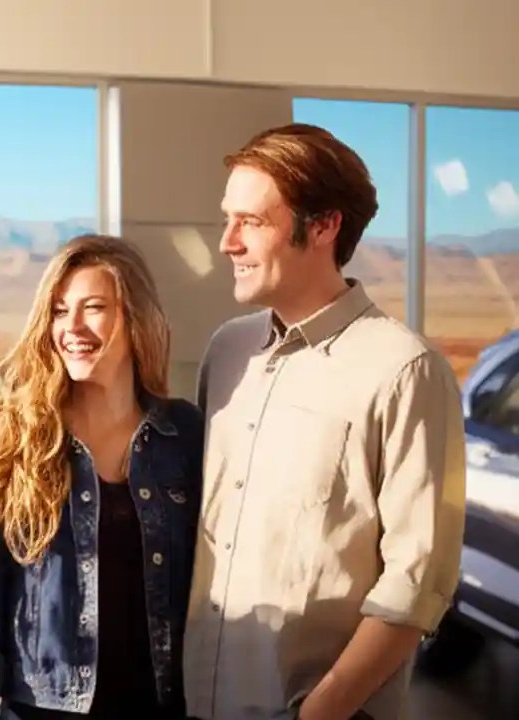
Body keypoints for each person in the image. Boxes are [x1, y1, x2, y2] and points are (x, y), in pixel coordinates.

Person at [183, 123, 467, 720]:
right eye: (226, 219)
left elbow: (417, 585)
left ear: (323, 225)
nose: (227, 242)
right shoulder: (227, 353)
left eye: (251, 222)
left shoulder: (406, 371)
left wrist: (318, 713)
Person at [0, 234, 206, 720]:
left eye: (94, 307)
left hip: (160, 707)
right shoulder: (9, 435)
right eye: (60, 311)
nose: (73, 327)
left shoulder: (183, 435)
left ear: (136, 316)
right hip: (42, 710)